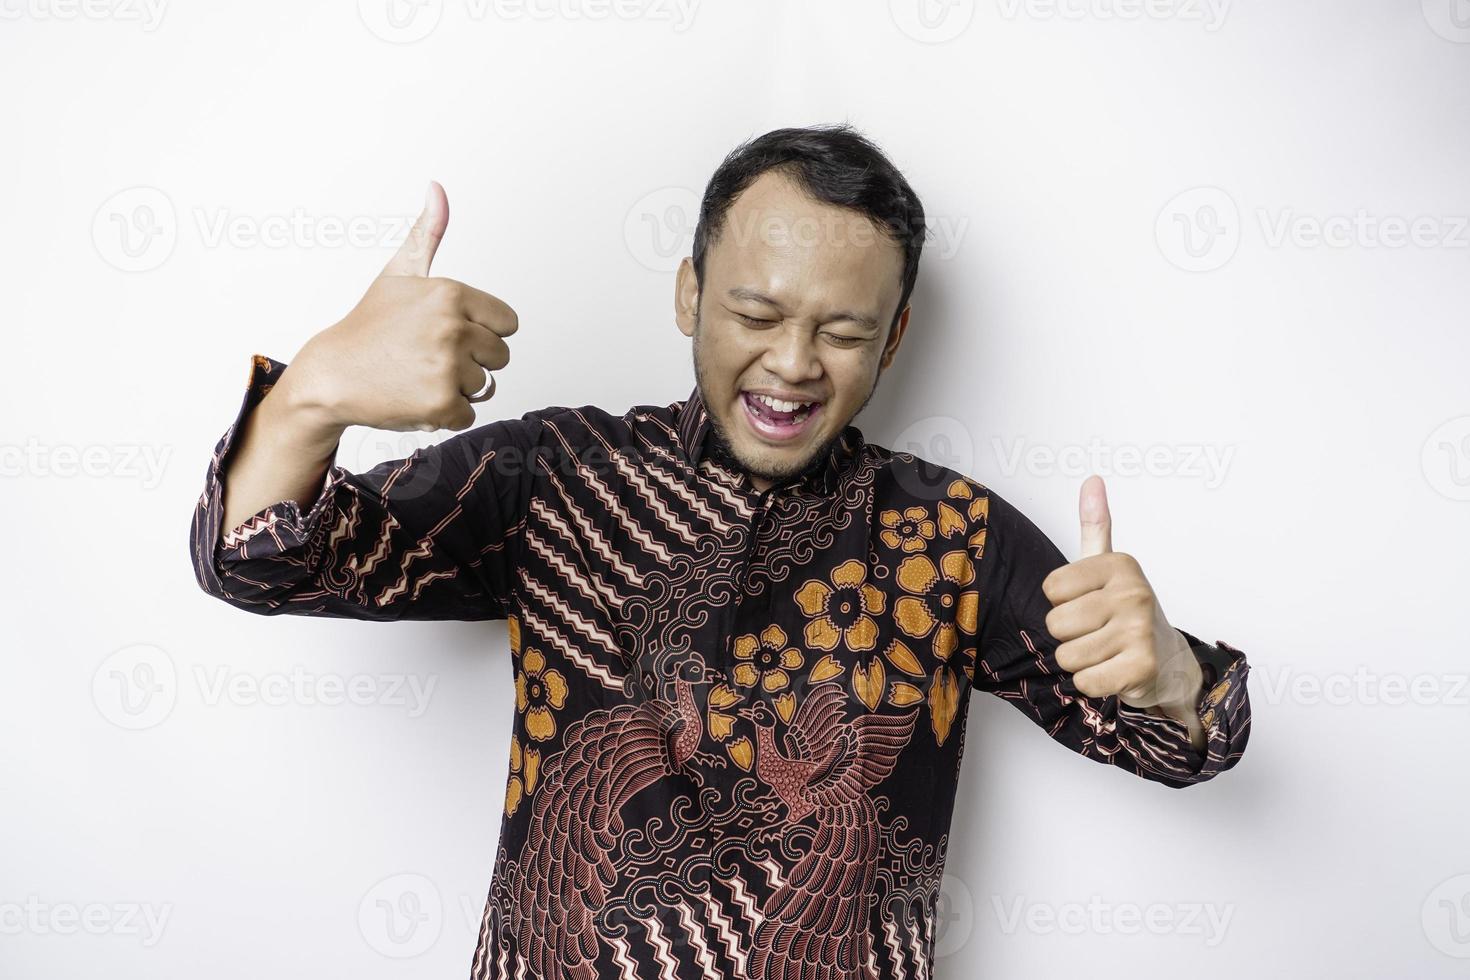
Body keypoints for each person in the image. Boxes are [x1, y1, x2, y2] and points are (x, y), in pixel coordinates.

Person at [189, 124, 1251, 980]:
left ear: (893, 338)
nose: (792, 363)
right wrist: (315, 393)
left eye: (844, 332)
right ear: (691, 293)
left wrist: (1172, 675)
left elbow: (1177, 745)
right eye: (756, 312)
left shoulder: (953, 538)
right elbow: (257, 560)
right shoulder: (550, 474)